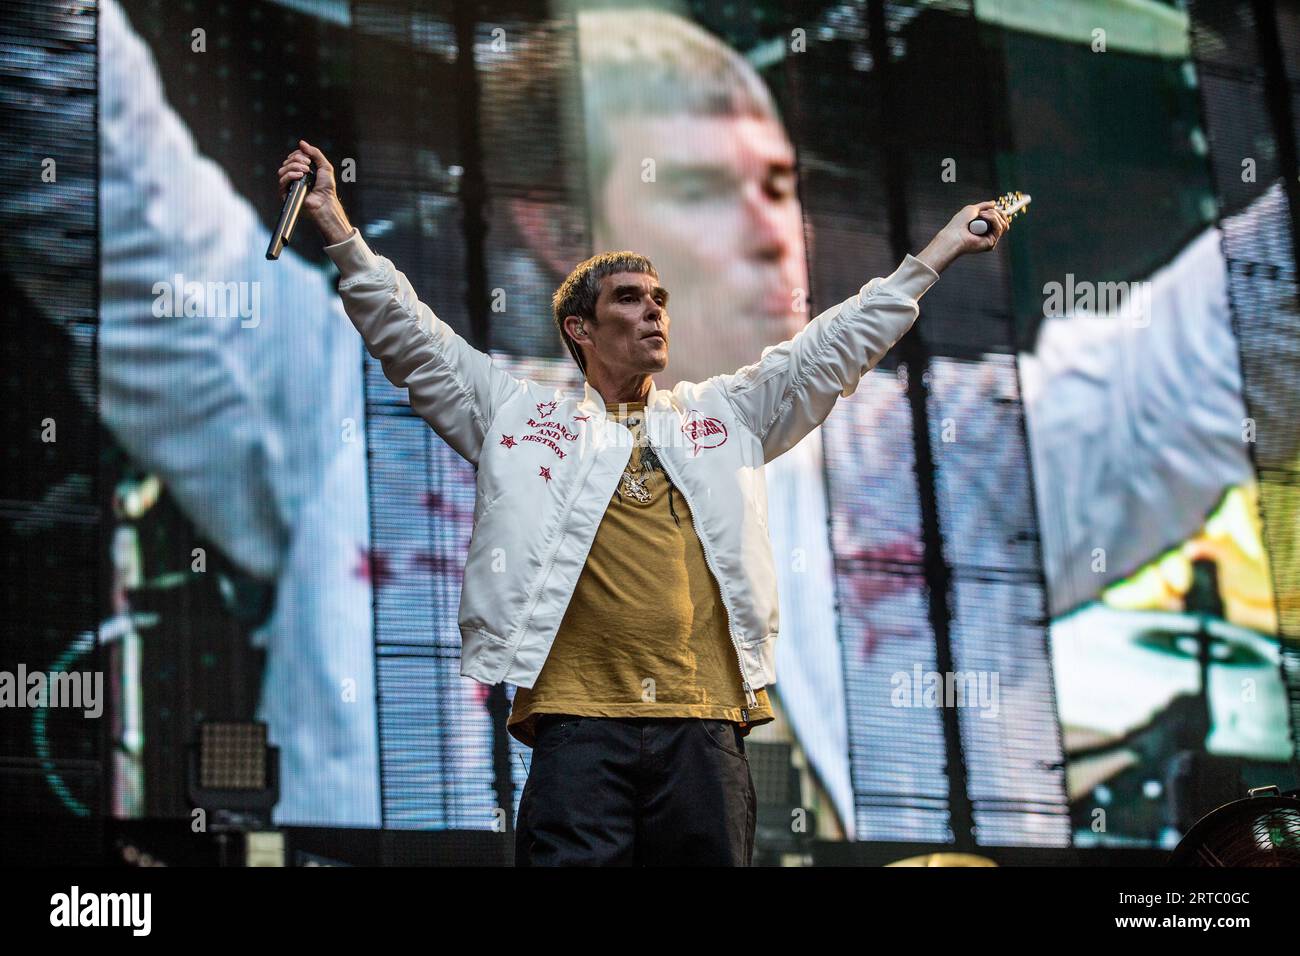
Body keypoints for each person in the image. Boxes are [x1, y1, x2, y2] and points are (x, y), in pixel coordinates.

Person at [277, 136, 1009, 864]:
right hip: (578, 725)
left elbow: (833, 346)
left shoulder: (722, 416)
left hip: (704, 722)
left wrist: (935, 254)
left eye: (659, 298)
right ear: (580, 329)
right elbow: (413, 340)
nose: (655, 310)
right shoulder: (523, 419)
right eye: (630, 299)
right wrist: (337, 226)